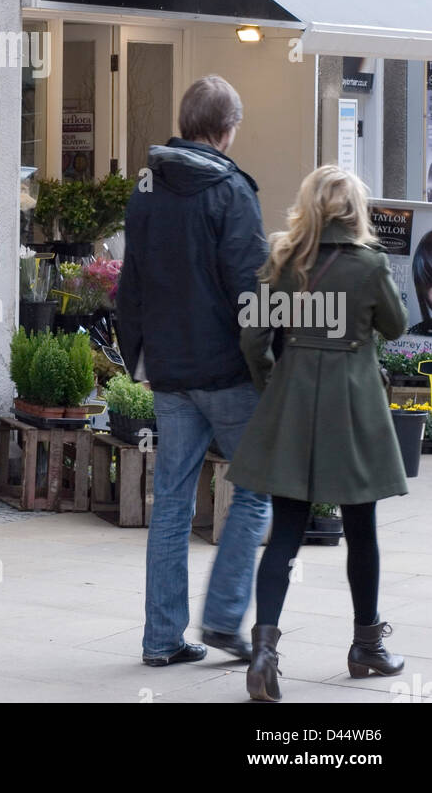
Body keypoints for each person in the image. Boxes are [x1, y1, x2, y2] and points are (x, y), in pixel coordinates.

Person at [228, 165, 408, 703]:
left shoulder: (283, 261)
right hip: (352, 408)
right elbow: (396, 328)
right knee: (362, 528)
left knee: (285, 529)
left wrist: (273, 385)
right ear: (355, 210)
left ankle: (263, 653)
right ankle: (366, 646)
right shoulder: (371, 265)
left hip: (294, 400)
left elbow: (252, 339)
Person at [117, 74, 271, 667]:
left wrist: (140, 357)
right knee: (255, 486)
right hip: (227, 370)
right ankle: (225, 619)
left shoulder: (147, 187)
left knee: (173, 500)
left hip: (171, 370)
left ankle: (162, 638)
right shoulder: (232, 190)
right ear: (227, 130)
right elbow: (249, 292)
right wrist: (267, 362)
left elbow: (130, 286)